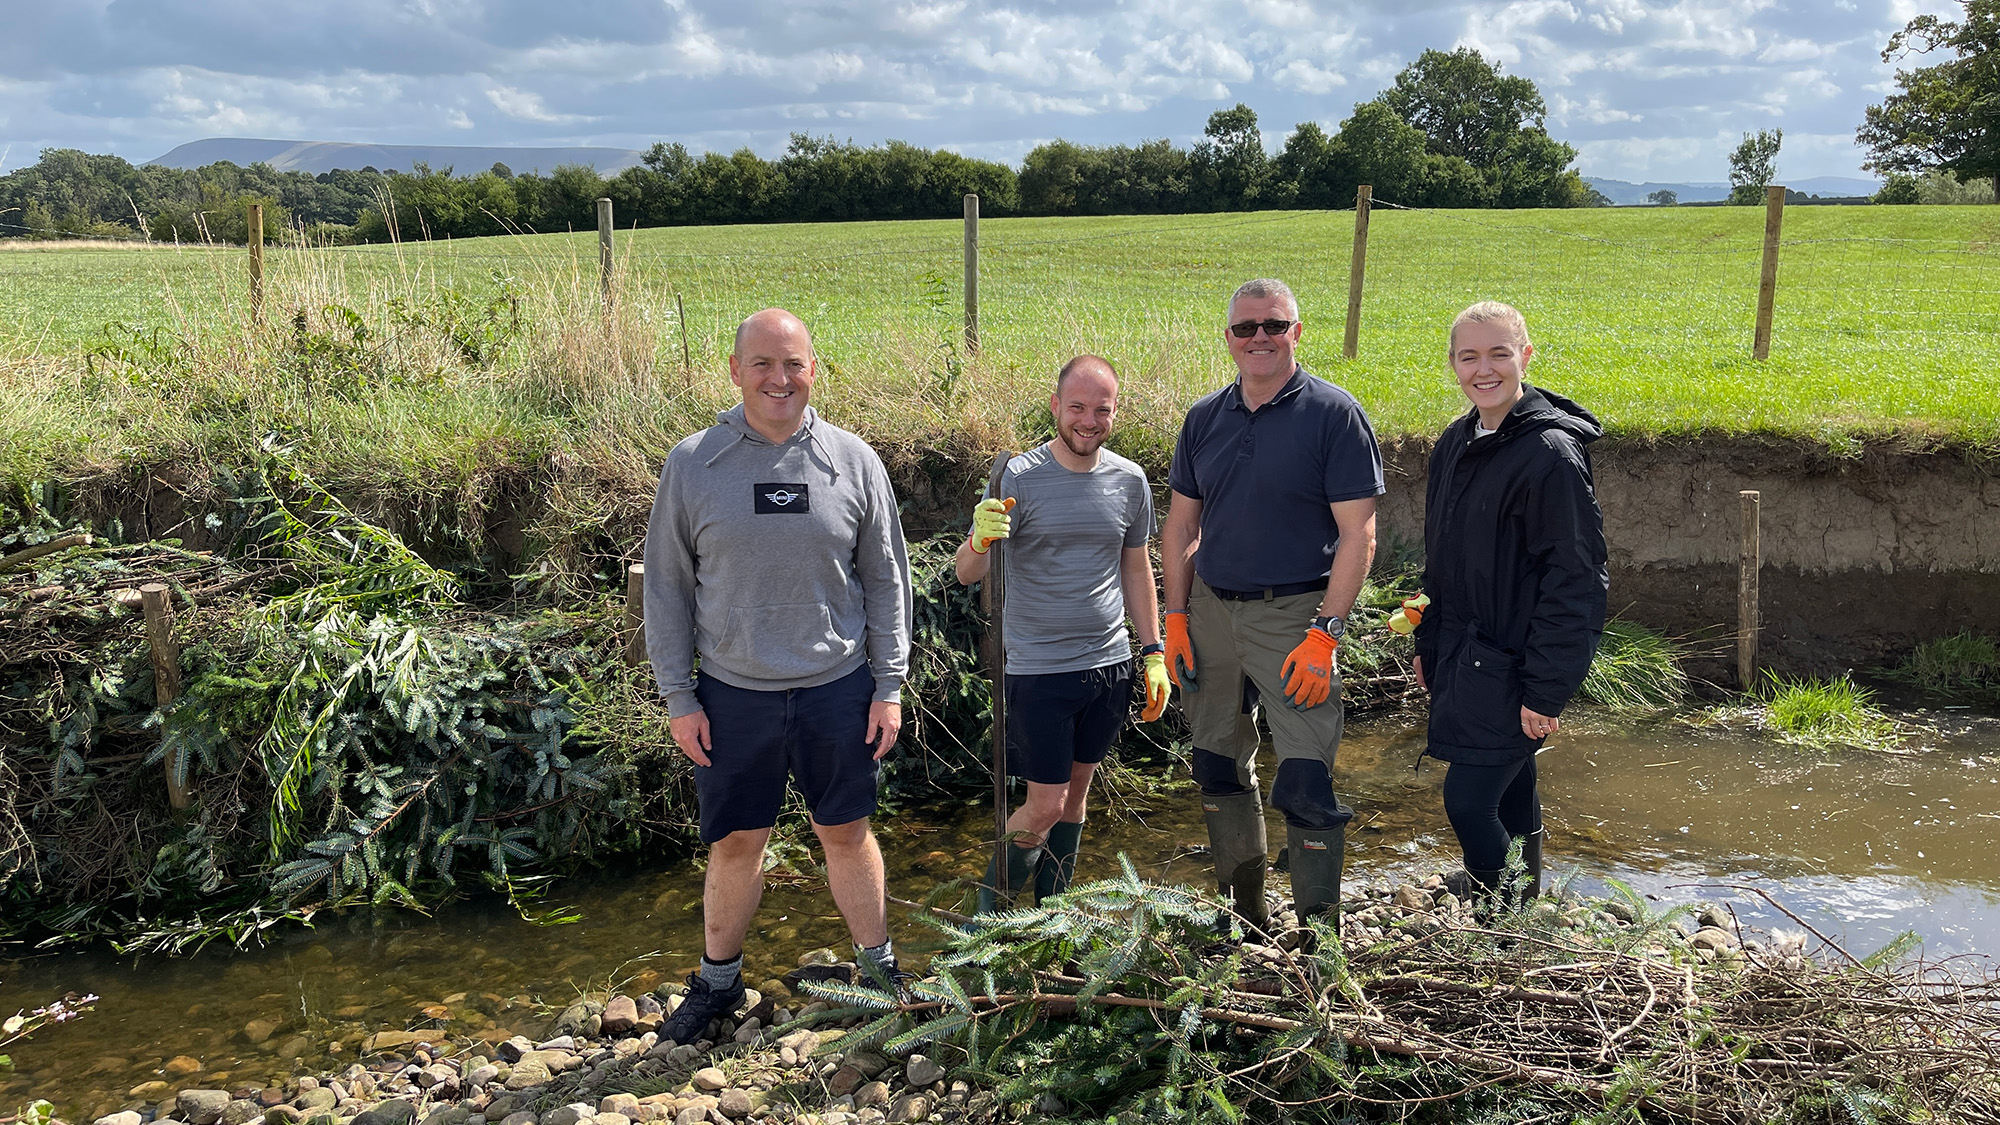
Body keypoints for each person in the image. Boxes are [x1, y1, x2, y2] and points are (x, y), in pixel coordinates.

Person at [644, 308, 913, 1043]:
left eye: (793, 363)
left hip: (838, 687)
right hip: (732, 694)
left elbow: (886, 580)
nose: (779, 378)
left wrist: (889, 684)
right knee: (737, 841)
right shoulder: (693, 464)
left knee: (846, 831)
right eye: (762, 363)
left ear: (813, 370)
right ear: (735, 371)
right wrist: (679, 696)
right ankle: (718, 982)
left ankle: (881, 972)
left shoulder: (853, 461)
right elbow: (665, 589)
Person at [1160, 278, 1384, 932]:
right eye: (1246, 327)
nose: (1259, 337)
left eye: (1274, 325)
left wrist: (1326, 634)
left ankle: (1319, 943)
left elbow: (1359, 535)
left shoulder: (1334, 414)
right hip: (1210, 611)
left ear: (1296, 332)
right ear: (1228, 338)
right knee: (1216, 764)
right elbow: (1181, 526)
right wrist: (1175, 618)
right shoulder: (1204, 418)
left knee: (1307, 780)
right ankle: (1247, 919)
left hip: (1295, 617)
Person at [954, 355, 1171, 912]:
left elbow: (1135, 568)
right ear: (1055, 406)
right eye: (1077, 407)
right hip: (1039, 669)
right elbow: (967, 573)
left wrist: (1153, 652)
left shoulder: (1129, 481)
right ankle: (983, 928)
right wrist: (979, 539)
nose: (1088, 421)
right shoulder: (1017, 478)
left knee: (1075, 799)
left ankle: (1052, 921)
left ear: (1115, 412)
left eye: (1102, 409)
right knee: (1045, 805)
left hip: (1108, 665)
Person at [1411, 301, 1607, 908]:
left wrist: (1545, 690)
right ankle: (1525, 923)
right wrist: (1428, 644)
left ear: (1525, 356)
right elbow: (1442, 562)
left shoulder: (1551, 454)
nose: (1484, 369)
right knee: (1514, 788)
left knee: (1468, 802)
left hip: (1514, 665)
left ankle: (1502, 928)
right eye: (1469, 357)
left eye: (1499, 354)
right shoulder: (1456, 442)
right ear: (1453, 364)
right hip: (1464, 655)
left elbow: (1576, 581)